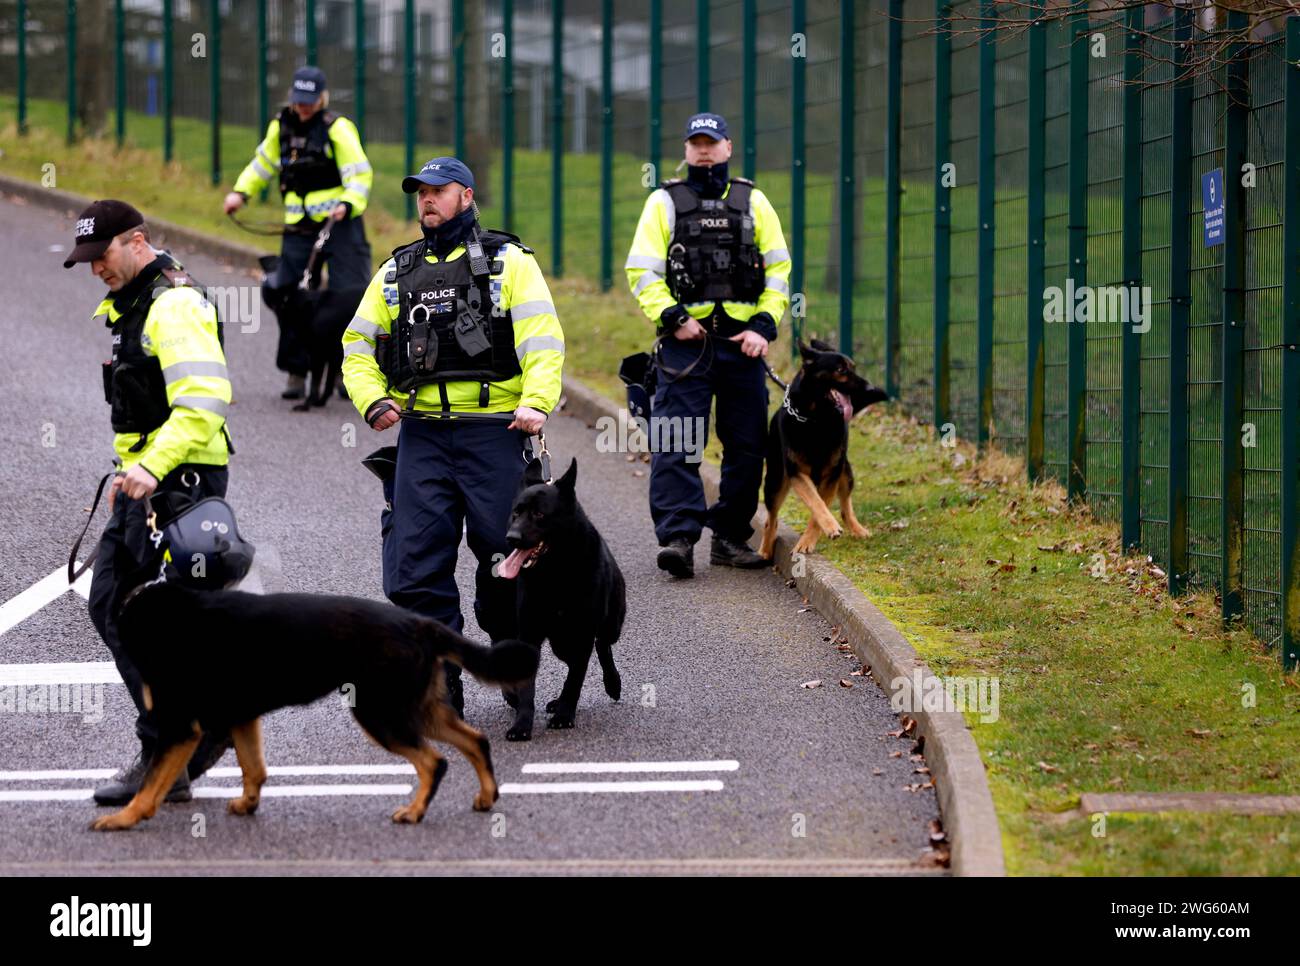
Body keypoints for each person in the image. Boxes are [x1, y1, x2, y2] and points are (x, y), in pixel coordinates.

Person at [341, 157, 564, 716]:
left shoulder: (509, 262)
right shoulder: (396, 273)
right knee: (414, 565)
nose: (427, 202)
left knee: (505, 557)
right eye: (420, 194)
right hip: (423, 435)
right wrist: (371, 400)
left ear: (465, 196)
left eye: (438, 192)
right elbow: (356, 346)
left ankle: (513, 668)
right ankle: (443, 684)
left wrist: (537, 402)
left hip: (496, 432)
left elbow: (542, 337)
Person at [64, 200, 235, 805]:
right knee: (118, 606)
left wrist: (149, 466)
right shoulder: (135, 304)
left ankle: (173, 746)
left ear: (136, 241)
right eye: (86, 261)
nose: (95, 271)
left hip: (178, 483)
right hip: (148, 480)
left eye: (101, 256)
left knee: (141, 618)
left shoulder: (174, 305)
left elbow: (205, 402)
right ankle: (186, 737)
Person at [624, 112, 792, 578]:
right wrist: (671, 317)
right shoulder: (664, 202)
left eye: (711, 142)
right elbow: (642, 270)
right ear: (686, 150)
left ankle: (729, 537)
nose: (703, 149)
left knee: (747, 445)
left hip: (744, 345)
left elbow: (778, 270)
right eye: (695, 141)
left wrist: (763, 324)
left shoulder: (754, 200)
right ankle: (678, 538)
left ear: (727, 147)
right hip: (685, 345)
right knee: (677, 441)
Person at [224, 65, 373, 399]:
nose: (304, 106)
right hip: (299, 228)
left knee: (349, 296)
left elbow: (359, 175)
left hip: (341, 225)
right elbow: (262, 164)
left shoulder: (337, 128)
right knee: (287, 293)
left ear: (323, 98)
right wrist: (240, 192)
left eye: (310, 100)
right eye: (299, 100)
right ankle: (296, 368)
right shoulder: (282, 126)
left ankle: (343, 370)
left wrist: (348, 203)